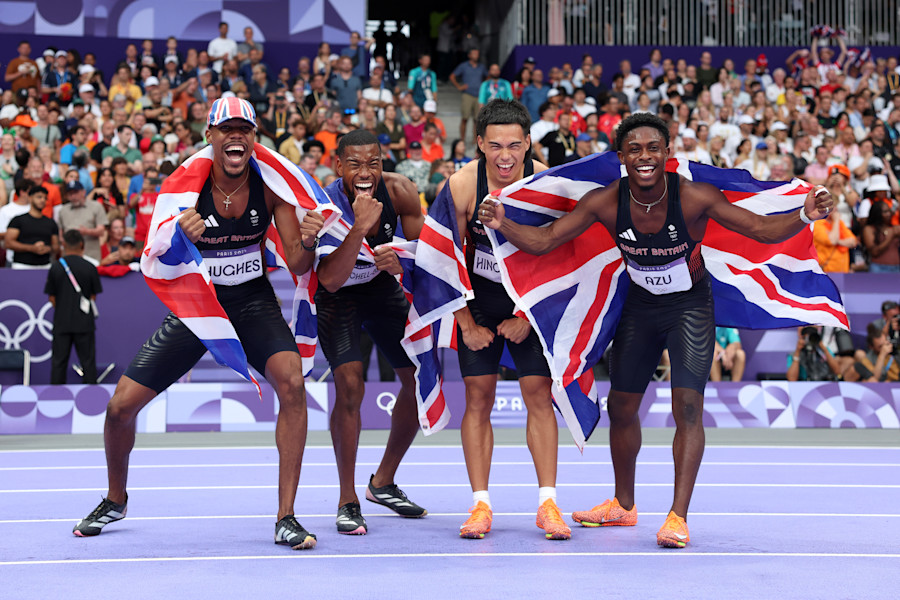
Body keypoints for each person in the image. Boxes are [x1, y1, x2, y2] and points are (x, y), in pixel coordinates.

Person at [479, 112, 834, 548]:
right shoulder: (605, 202)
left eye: (652, 148)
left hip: (689, 307)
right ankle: (623, 506)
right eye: (634, 150)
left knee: (687, 407)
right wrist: (502, 224)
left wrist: (803, 213)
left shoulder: (695, 198)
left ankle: (677, 517)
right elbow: (547, 239)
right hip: (641, 307)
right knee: (622, 409)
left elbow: (760, 230)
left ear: (667, 153)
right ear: (621, 156)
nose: (644, 157)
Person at [71, 98, 328, 551]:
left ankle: (286, 516)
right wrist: (178, 238)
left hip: (252, 301)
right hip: (197, 307)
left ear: (254, 139)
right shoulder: (185, 189)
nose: (236, 136)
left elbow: (298, 261)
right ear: (209, 137)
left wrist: (309, 239)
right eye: (226, 128)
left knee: (292, 383)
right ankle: (115, 498)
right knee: (118, 409)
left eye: (244, 130)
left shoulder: (270, 188)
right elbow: (157, 256)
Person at [442, 99, 570, 541]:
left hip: (530, 298)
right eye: (494, 146)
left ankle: (548, 504)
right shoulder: (461, 184)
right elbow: (444, 257)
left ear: (529, 143)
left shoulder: (546, 181)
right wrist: (465, 323)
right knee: (478, 396)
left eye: (515, 145)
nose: (505, 156)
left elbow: (561, 255)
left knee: (538, 392)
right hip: (478, 298)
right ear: (479, 144)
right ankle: (480, 505)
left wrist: (527, 315)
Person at [314, 129, 427, 535]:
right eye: (356, 164)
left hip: (380, 286)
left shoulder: (400, 193)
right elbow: (328, 279)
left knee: (421, 379)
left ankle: (383, 481)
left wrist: (403, 263)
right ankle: (348, 498)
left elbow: (429, 254)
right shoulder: (324, 202)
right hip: (338, 296)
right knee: (350, 386)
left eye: (374, 163)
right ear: (339, 165)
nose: (366, 172)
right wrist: (359, 228)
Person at [45, 229, 101, 383]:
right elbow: (93, 296)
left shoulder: (55, 268)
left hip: (61, 323)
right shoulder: (90, 267)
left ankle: (55, 399)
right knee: (88, 363)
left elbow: (52, 298)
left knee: (58, 363)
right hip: (84, 324)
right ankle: (90, 400)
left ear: (63, 245)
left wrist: (64, 309)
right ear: (82, 245)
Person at [5, 183, 59, 269]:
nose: (42, 200)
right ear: (30, 198)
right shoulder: (18, 220)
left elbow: (56, 246)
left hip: (45, 266)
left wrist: (48, 249)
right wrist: (31, 248)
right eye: (39, 197)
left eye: (45, 198)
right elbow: (8, 243)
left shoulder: (51, 222)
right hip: (21, 266)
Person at [57, 180, 108, 263]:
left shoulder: (96, 206)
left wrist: (87, 231)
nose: (73, 196)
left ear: (83, 192)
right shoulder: (63, 210)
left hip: (91, 255)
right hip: (69, 255)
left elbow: (101, 231)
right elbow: (60, 234)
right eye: (70, 194)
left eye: (76, 192)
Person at [450, 48, 487, 143]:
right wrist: (459, 86)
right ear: (469, 55)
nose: (476, 55)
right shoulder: (463, 66)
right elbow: (452, 76)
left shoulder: (481, 67)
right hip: (467, 94)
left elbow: (488, 76)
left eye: (477, 54)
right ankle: (462, 139)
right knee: (465, 118)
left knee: (477, 119)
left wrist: (484, 85)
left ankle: (475, 140)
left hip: (479, 96)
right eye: (474, 53)